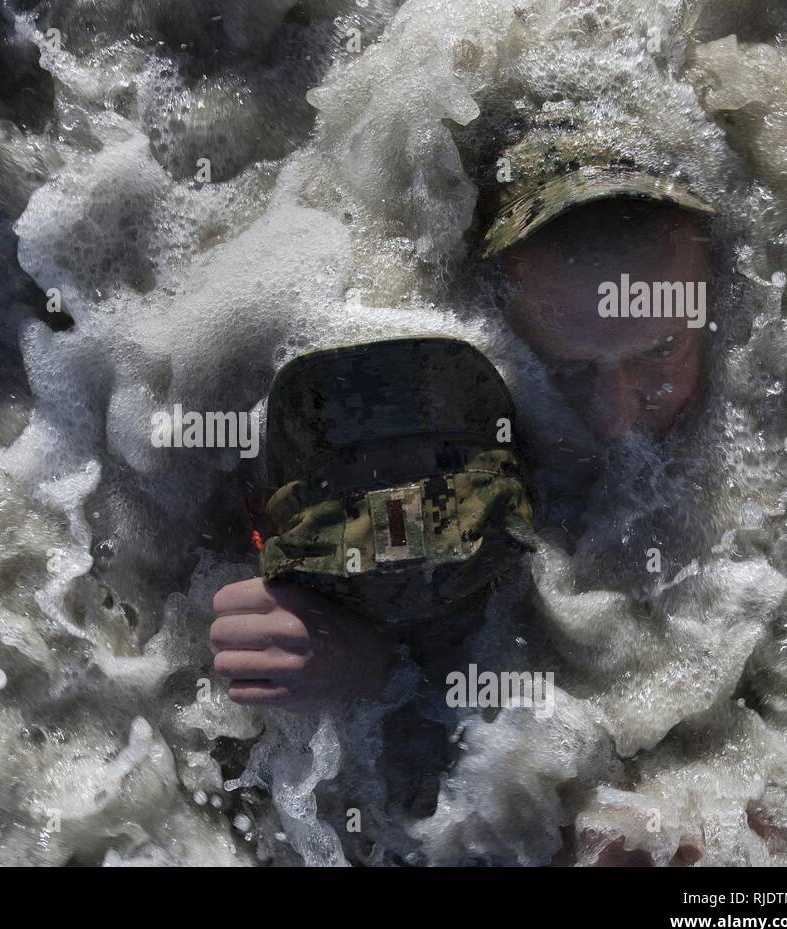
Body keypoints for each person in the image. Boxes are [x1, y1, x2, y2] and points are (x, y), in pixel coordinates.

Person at [211, 114, 718, 711]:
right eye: (568, 369)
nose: (614, 419)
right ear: (498, 339)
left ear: (716, 304)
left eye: (661, 349)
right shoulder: (457, 445)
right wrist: (366, 665)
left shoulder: (777, 425)